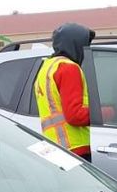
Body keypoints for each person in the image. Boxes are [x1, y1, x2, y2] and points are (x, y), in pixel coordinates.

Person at [34, 23, 95, 160]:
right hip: (75, 148)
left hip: (54, 147)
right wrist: (106, 113)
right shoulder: (69, 68)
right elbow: (75, 115)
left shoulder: (47, 67)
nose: (86, 50)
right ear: (75, 44)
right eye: (85, 45)